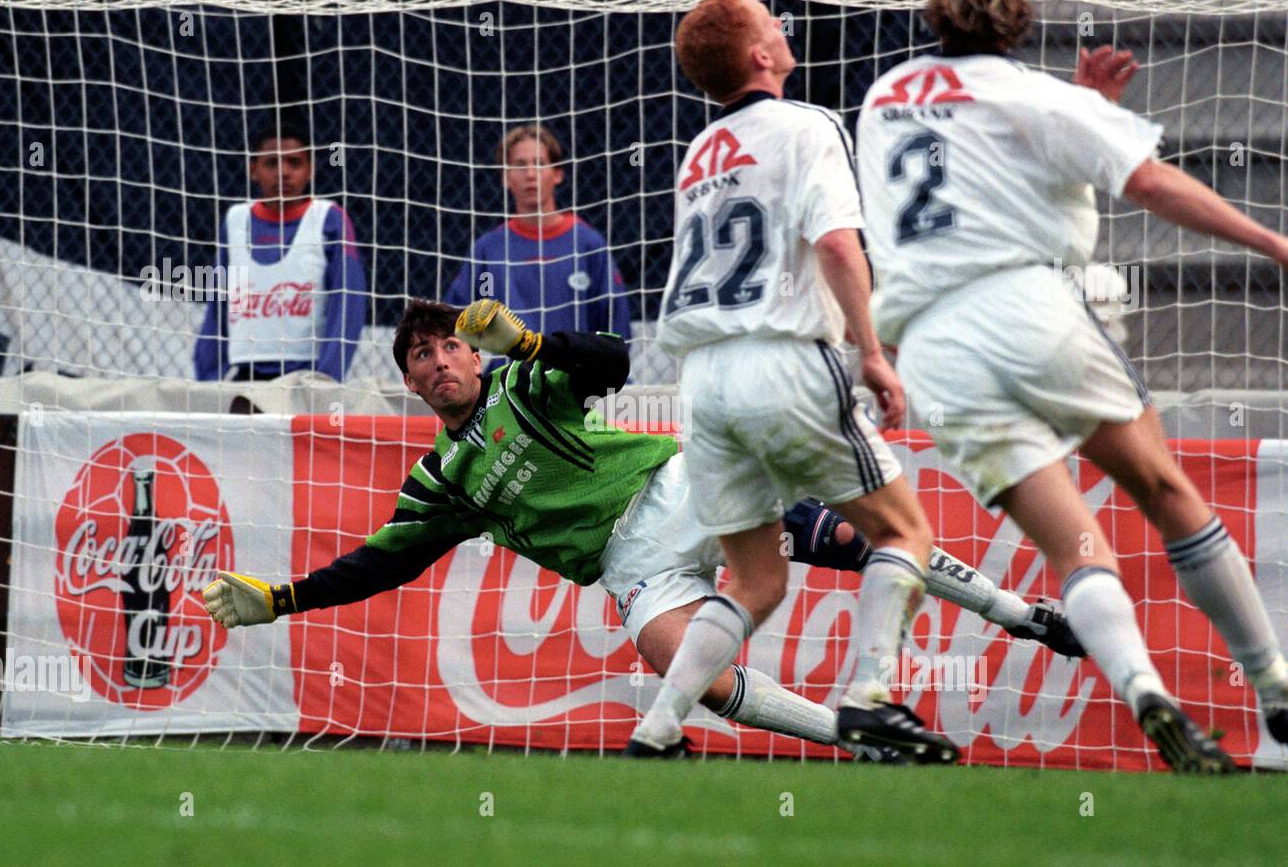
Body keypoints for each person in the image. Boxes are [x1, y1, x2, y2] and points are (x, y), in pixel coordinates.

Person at [202, 299, 1078, 759]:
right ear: (411, 383)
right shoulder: (441, 482)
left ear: (474, 356)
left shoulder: (523, 386)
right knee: (675, 660)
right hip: (628, 563)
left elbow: (614, 362)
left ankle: (1024, 615)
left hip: (676, 484)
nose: (437, 365)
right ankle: (856, 735)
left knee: (856, 540)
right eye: (418, 359)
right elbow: (378, 565)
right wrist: (279, 598)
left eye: (447, 349)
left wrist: (533, 343)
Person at [855, 0, 1288, 772]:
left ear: (935, 1)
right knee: (1163, 487)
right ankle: (1272, 681)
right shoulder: (1036, 96)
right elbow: (1151, 183)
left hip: (933, 348)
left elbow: (980, 164)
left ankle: (1143, 691)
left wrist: (1092, 108)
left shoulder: (881, 100)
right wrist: (1273, 245)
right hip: (1027, 308)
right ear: (1022, 2)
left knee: (1073, 545)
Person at [628, 0, 951, 761]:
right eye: (773, 23)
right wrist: (872, 350)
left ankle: (658, 727)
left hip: (703, 382)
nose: (783, 27)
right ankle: (869, 697)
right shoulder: (808, 125)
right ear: (760, 56)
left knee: (754, 581)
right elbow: (838, 244)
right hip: (782, 359)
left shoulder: (697, 156)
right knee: (902, 530)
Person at [194, 123, 368, 382]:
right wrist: (208, 377)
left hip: (305, 374)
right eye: (271, 164)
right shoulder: (235, 220)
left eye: (294, 163)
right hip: (244, 373)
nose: (283, 173)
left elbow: (348, 305)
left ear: (310, 170)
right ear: (253, 169)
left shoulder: (328, 219)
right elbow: (219, 304)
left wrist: (326, 379)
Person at [443, 125, 630, 341]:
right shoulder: (488, 250)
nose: (530, 174)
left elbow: (616, 330)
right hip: (510, 373)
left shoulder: (588, 245)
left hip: (577, 373)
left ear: (557, 174)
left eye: (539, 164)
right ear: (505, 177)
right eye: (520, 165)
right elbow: (454, 326)